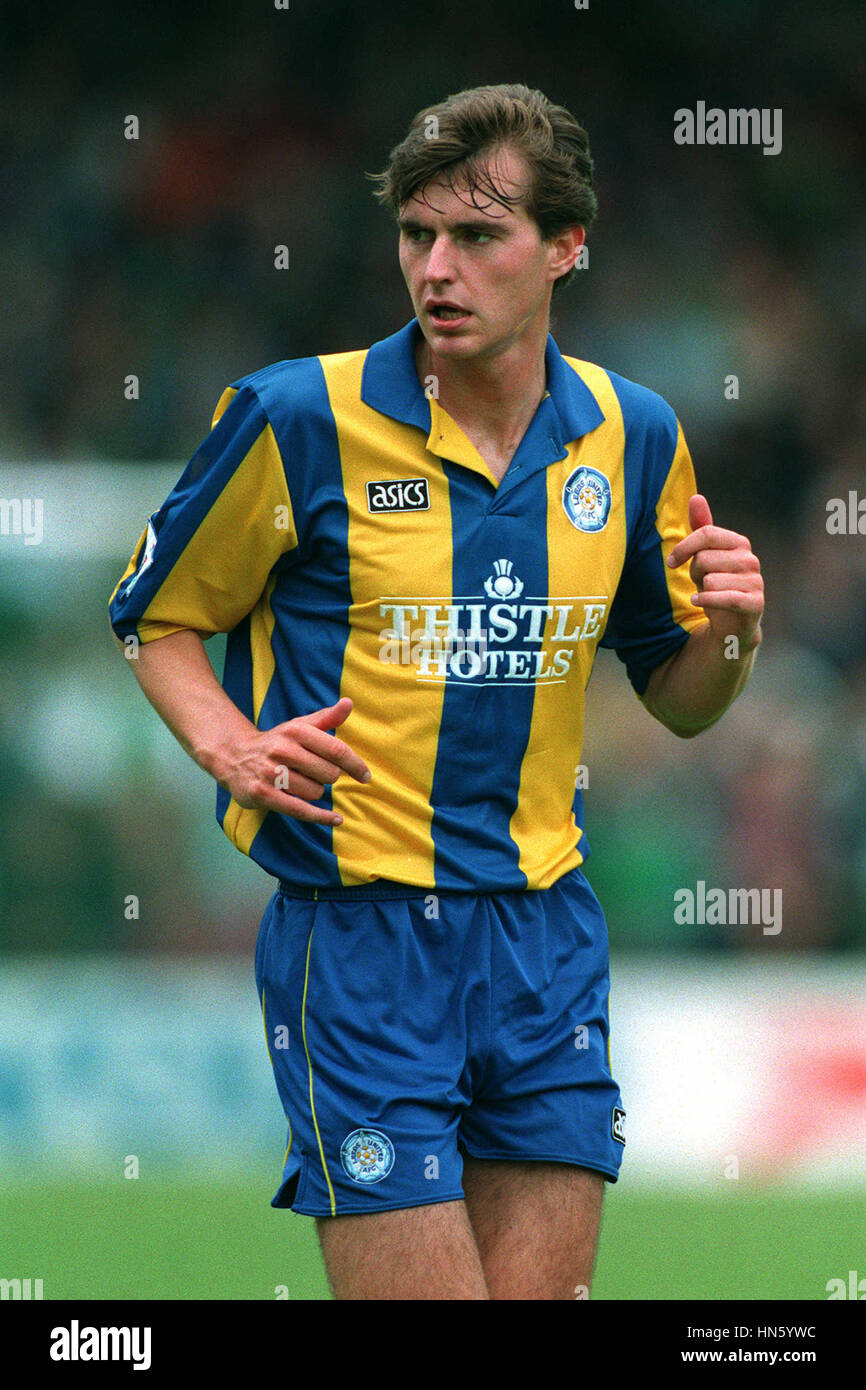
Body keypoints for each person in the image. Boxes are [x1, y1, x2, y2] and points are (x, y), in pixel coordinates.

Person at [109, 83, 764, 1300]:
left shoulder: (632, 434)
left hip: (542, 937)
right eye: (417, 235)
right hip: (359, 937)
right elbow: (157, 617)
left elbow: (677, 696)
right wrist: (230, 748)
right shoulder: (298, 416)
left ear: (566, 246)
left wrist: (730, 637)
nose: (436, 268)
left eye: (477, 235)